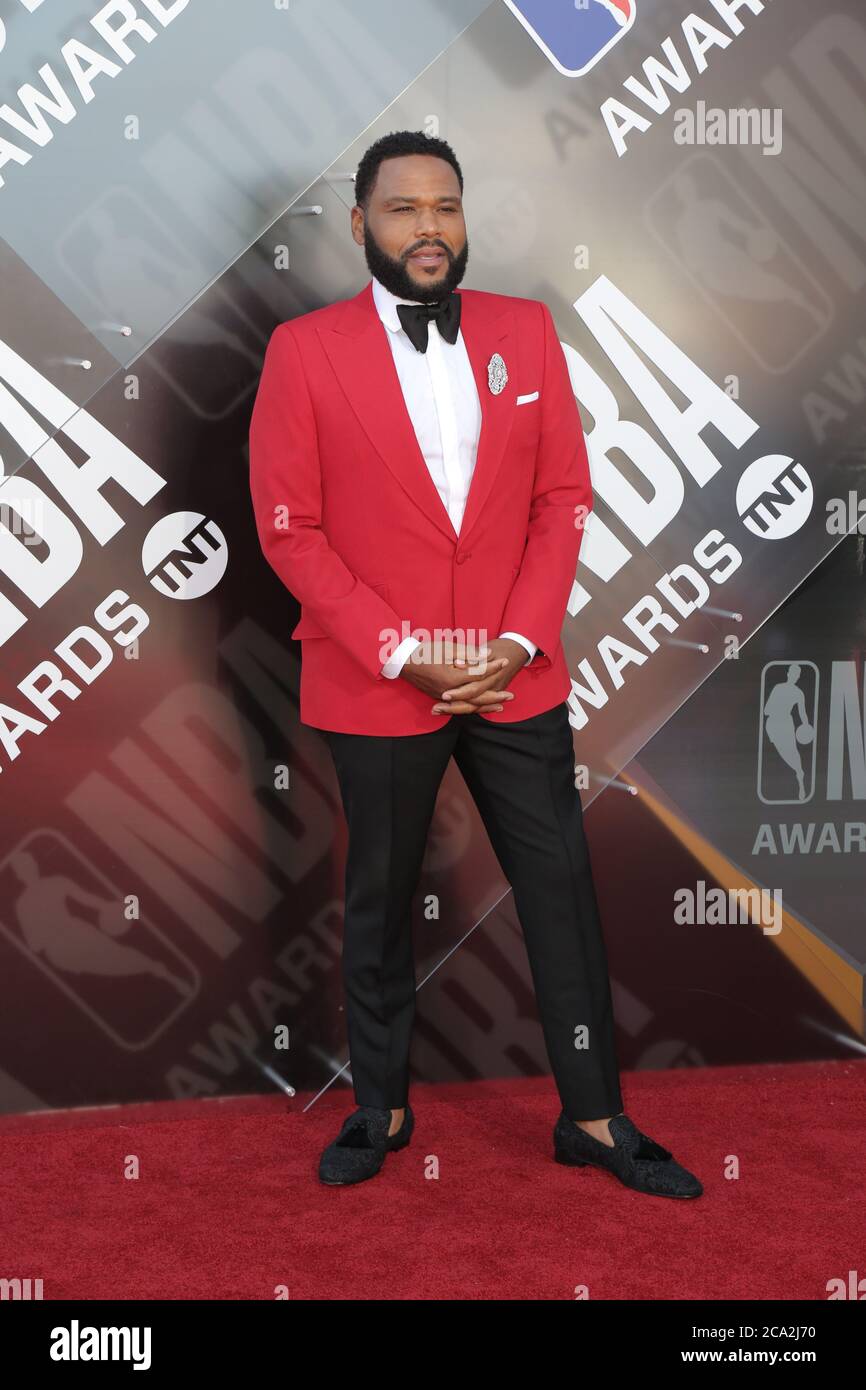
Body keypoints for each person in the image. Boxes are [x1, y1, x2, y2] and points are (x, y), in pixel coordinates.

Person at [249, 129, 702, 1200]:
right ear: (359, 226)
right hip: (377, 678)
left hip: (514, 672)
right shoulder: (304, 352)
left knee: (559, 891)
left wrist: (510, 640)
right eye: (402, 210)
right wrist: (403, 651)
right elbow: (288, 529)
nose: (428, 229)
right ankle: (381, 1107)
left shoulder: (524, 330)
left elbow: (561, 498)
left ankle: (593, 1117)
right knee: (379, 896)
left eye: (444, 207)